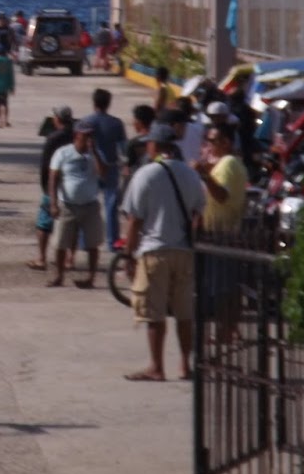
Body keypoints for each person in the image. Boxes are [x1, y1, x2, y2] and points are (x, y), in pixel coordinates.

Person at [121, 121, 208, 382]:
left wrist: (128, 255)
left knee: (154, 313)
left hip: (154, 251)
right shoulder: (190, 174)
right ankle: (185, 365)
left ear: (154, 146)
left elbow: (134, 220)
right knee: (184, 314)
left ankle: (157, 366)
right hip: (183, 251)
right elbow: (198, 214)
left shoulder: (145, 175)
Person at [47, 122, 106, 289]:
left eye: (90, 135)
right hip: (67, 204)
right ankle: (59, 275)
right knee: (60, 243)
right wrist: (53, 203)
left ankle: (91, 277)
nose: (88, 139)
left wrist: (94, 152)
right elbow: (54, 178)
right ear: (76, 136)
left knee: (93, 244)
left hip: (90, 204)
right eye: (85, 135)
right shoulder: (63, 153)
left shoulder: (95, 154)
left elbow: (103, 174)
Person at [78, 89, 127, 248]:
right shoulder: (116, 123)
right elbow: (123, 148)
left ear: (94, 103)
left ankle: (84, 241)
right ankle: (112, 241)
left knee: (86, 203)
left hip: (89, 168)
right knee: (111, 205)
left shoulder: (84, 122)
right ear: (108, 103)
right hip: (111, 167)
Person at [30, 106, 75, 271]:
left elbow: (46, 166)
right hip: (70, 187)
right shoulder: (75, 135)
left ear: (57, 119)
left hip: (54, 187)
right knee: (71, 224)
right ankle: (70, 259)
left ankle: (41, 258)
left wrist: (46, 187)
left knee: (44, 223)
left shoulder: (53, 138)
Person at [197, 124, 248, 234]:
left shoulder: (228, 162)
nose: (208, 145)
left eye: (212, 140)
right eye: (207, 140)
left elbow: (222, 196)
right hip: (218, 229)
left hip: (220, 232)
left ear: (225, 143)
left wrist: (204, 175)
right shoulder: (230, 162)